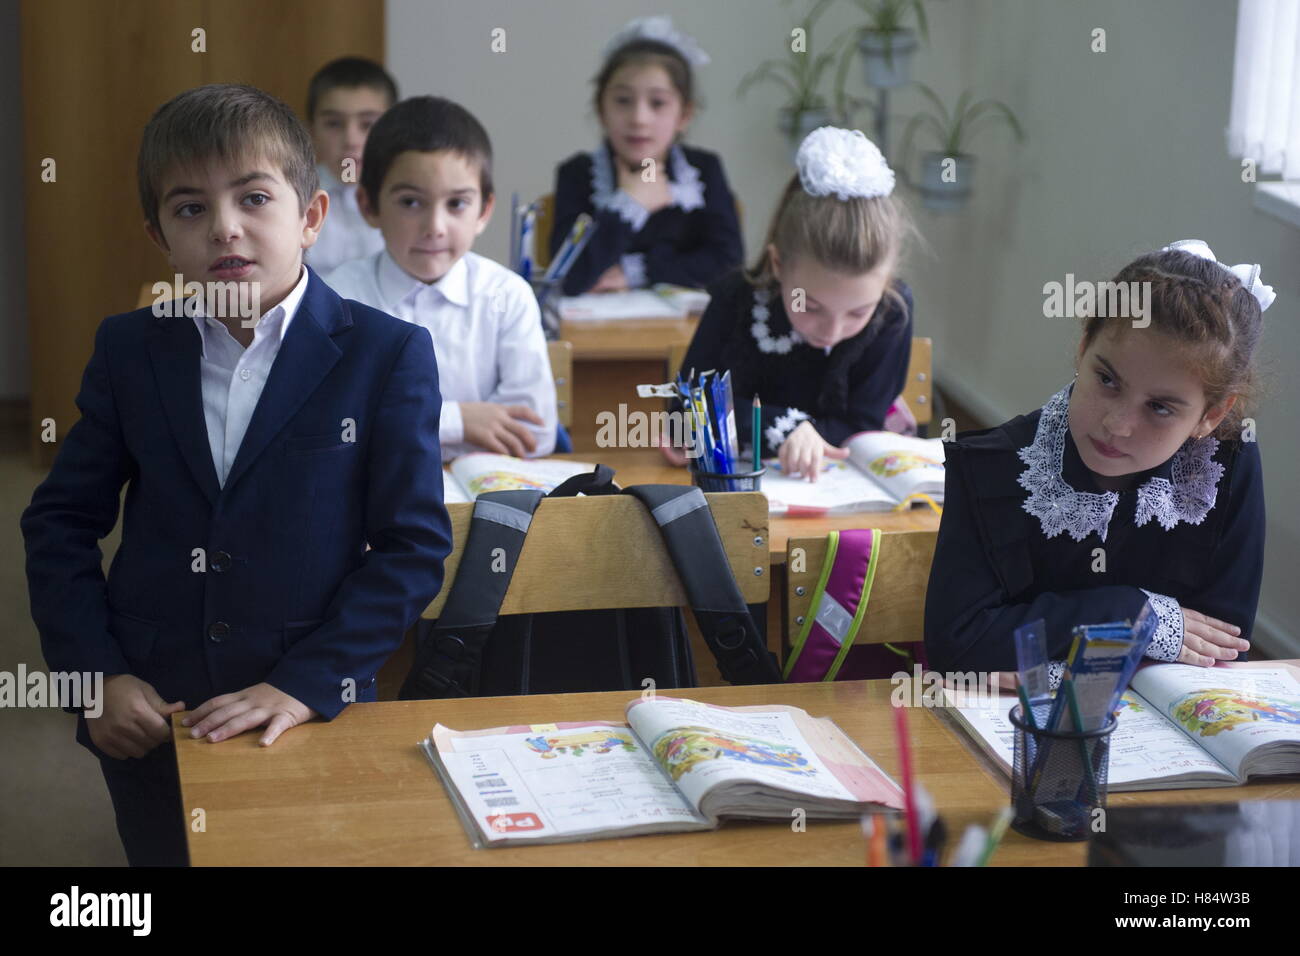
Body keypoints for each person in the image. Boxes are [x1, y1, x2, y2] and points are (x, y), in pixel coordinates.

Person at [21, 84, 452, 865]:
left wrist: (310, 682)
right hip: (155, 709)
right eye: (190, 209)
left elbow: (412, 547)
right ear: (159, 234)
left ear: (312, 217)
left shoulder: (385, 355)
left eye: (254, 197)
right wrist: (96, 679)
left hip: (307, 706)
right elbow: (59, 522)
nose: (224, 227)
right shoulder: (129, 350)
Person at [924, 240, 1270, 685]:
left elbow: (1222, 649)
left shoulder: (1228, 464)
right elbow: (959, 647)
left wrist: (1055, 656)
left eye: (1160, 408)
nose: (1118, 425)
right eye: (1107, 380)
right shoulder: (994, 465)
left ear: (1212, 416)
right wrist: (1128, 615)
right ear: (1084, 346)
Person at [668, 127, 916, 479]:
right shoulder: (734, 298)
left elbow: (862, 424)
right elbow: (684, 411)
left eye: (859, 312)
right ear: (778, 265)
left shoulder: (892, 311)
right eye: (811, 307)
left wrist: (804, 436)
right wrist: (784, 427)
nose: (832, 332)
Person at [328, 96, 558, 459]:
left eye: (456, 204)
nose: (434, 227)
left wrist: (396, 425)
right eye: (410, 202)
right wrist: (459, 421)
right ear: (369, 206)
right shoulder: (339, 297)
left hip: (485, 496)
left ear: (484, 211)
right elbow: (336, 427)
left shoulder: (508, 295)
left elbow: (533, 432)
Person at [550, 15, 742, 296]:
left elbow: (728, 264)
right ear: (601, 109)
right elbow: (569, 275)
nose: (639, 118)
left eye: (658, 103)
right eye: (623, 101)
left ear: (684, 114)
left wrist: (637, 271)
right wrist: (631, 203)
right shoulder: (577, 174)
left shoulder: (703, 171)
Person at [303, 56, 397, 274]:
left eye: (367, 124)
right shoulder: (293, 197)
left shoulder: (406, 199)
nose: (351, 140)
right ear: (311, 130)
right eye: (334, 124)